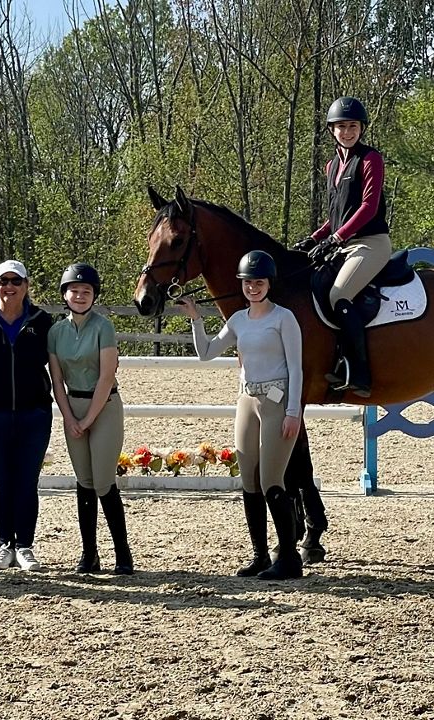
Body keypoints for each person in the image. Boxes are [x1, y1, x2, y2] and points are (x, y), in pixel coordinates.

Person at [176, 250, 304, 580]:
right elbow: (206, 353)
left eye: (258, 282)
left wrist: (293, 411)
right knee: (248, 480)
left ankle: (289, 557)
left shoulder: (284, 318)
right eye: (248, 283)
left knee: (271, 480)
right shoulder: (238, 320)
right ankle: (260, 554)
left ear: (268, 284)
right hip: (247, 400)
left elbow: (296, 367)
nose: (253, 288)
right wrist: (195, 319)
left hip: (277, 402)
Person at [295, 96, 390, 398]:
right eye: (341, 127)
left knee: (339, 294)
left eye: (352, 126)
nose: (347, 132)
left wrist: (335, 239)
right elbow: (336, 215)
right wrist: (315, 237)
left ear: (361, 128)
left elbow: (368, 208)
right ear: (332, 130)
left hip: (370, 243)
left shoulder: (370, 159)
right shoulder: (332, 165)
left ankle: (358, 372)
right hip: (343, 244)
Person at [48, 263, 132, 575]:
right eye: (74, 291)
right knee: (83, 481)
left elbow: (107, 376)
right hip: (74, 405)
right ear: (65, 294)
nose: (80, 296)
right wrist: (70, 417)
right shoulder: (56, 332)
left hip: (104, 406)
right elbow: (57, 381)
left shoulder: (103, 327)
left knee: (103, 480)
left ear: (93, 296)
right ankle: (89, 553)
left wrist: (87, 420)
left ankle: (123, 553)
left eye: (86, 291)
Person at [0, 260, 55, 572]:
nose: (9, 287)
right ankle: (4, 544)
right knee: (0, 481)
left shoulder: (42, 321)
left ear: (26, 285)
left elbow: (59, 363)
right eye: (4, 281)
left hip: (34, 413)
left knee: (27, 481)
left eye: (15, 281)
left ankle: (26, 547)